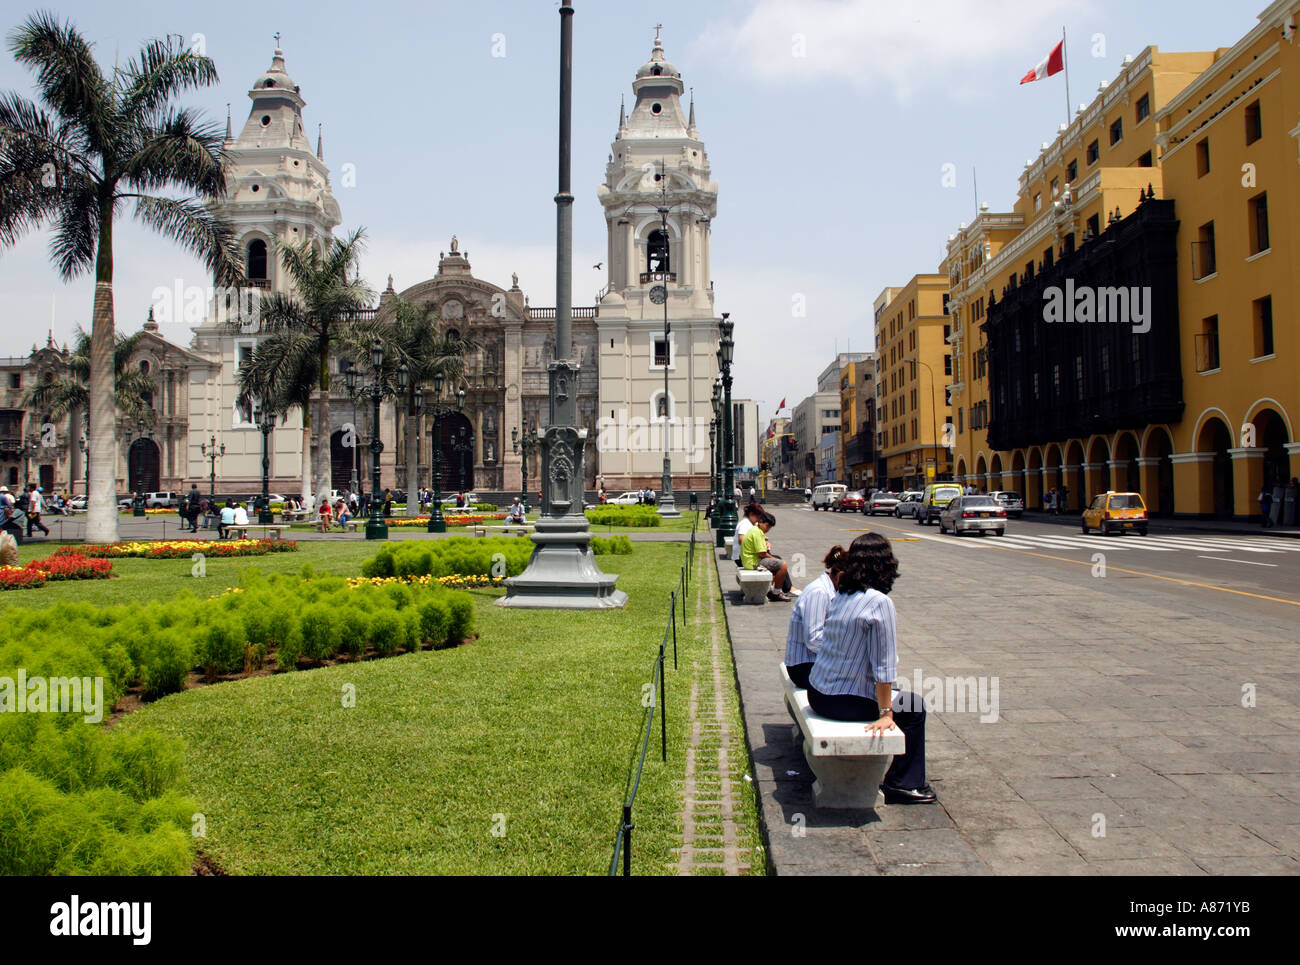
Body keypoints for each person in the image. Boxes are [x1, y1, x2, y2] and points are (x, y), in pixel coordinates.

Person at [807, 532, 934, 805]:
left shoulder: (841, 592)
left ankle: (901, 779)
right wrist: (886, 712)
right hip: (844, 702)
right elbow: (884, 666)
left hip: (818, 693)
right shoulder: (879, 603)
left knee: (903, 700)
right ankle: (903, 783)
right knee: (914, 708)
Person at [783, 545, 848, 688]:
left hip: (815, 661)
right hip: (804, 667)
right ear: (841, 576)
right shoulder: (819, 593)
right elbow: (814, 639)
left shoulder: (831, 590)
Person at [740, 511, 792, 602]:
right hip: (753, 563)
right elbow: (762, 553)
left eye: (770, 527)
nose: (768, 529)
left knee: (777, 561)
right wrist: (773, 558)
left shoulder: (755, 530)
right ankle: (776, 593)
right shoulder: (757, 532)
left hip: (749, 560)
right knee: (782, 565)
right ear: (760, 522)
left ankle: (771, 589)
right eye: (767, 526)